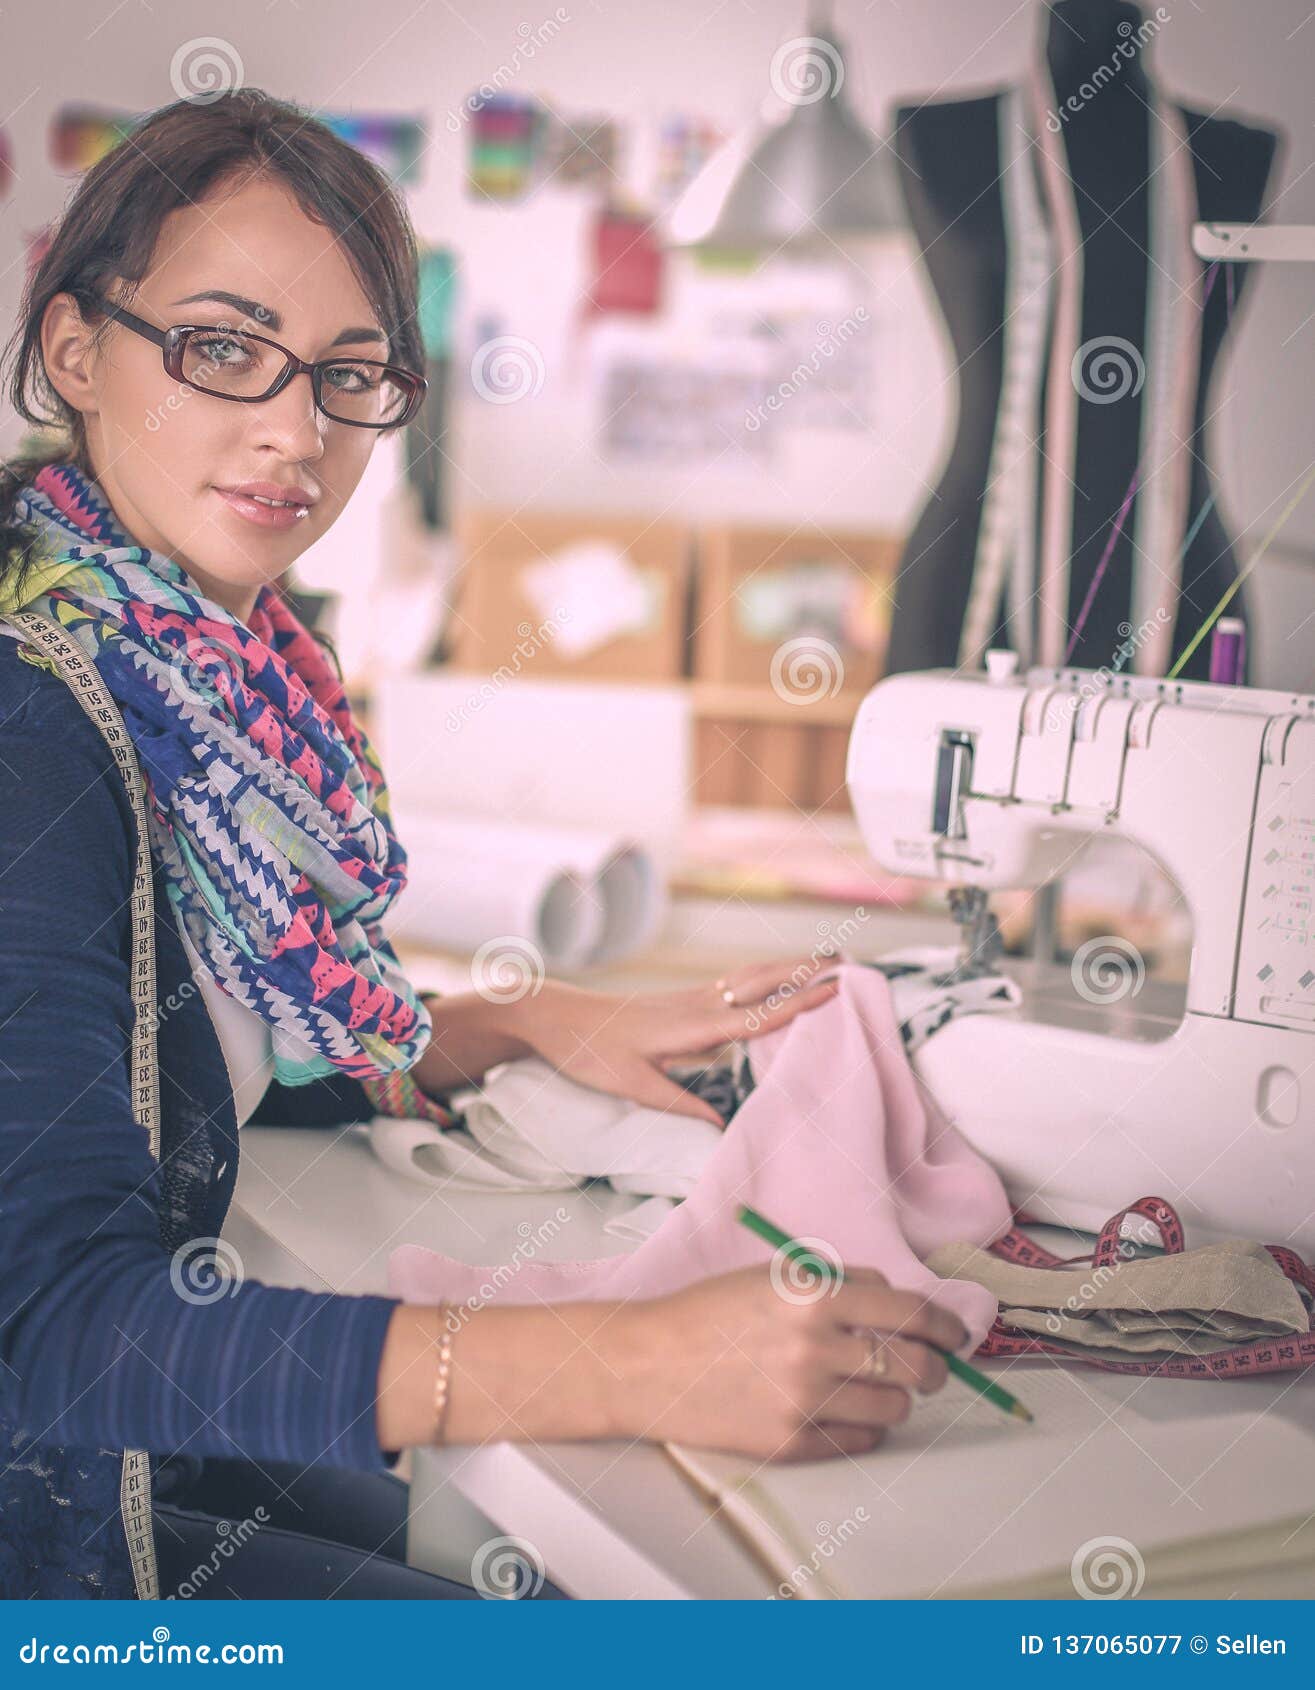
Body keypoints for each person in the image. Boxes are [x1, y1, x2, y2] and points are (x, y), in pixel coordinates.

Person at [0, 89, 967, 1601]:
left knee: (541, 1565)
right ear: (74, 349)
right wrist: (622, 1357)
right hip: (47, 1515)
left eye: (349, 373)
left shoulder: (208, 668)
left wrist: (510, 1023)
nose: (298, 431)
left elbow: (148, 1056)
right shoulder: (33, 721)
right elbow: (49, 1331)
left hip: (102, 1464)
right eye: (223, 348)